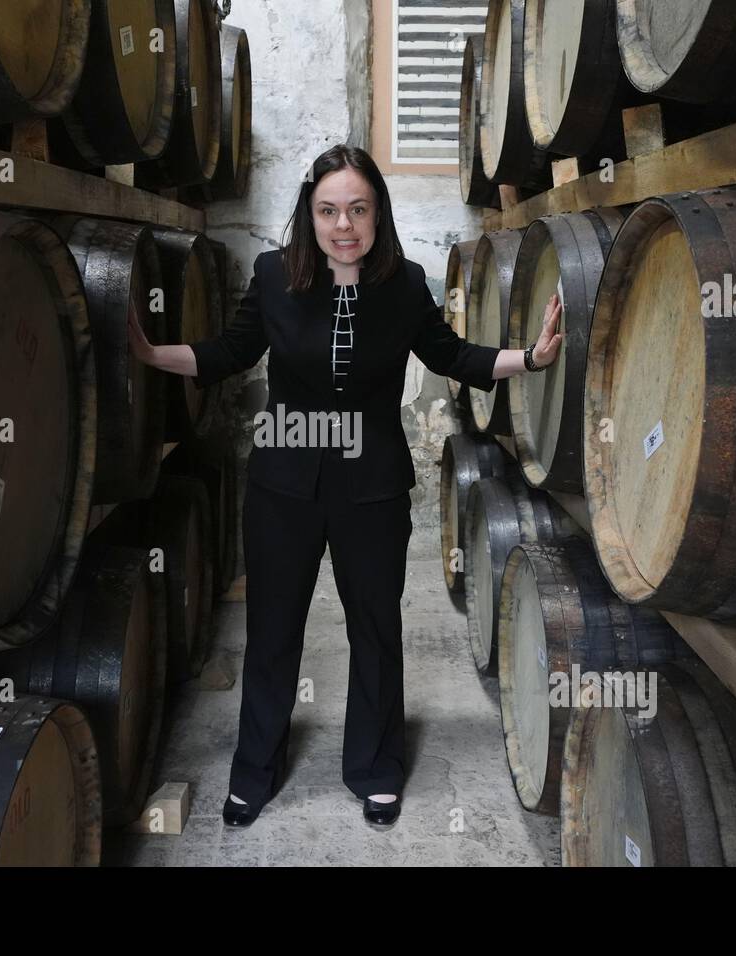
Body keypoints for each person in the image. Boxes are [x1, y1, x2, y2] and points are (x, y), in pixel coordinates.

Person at [127, 144, 562, 829]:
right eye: (329, 210)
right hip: (282, 485)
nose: (344, 224)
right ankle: (255, 768)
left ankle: (376, 767)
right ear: (310, 214)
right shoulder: (274, 276)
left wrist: (530, 358)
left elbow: (453, 356)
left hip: (373, 488)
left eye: (359, 208)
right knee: (272, 632)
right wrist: (154, 355)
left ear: (378, 213)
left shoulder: (406, 283)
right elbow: (229, 353)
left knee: (376, 630)